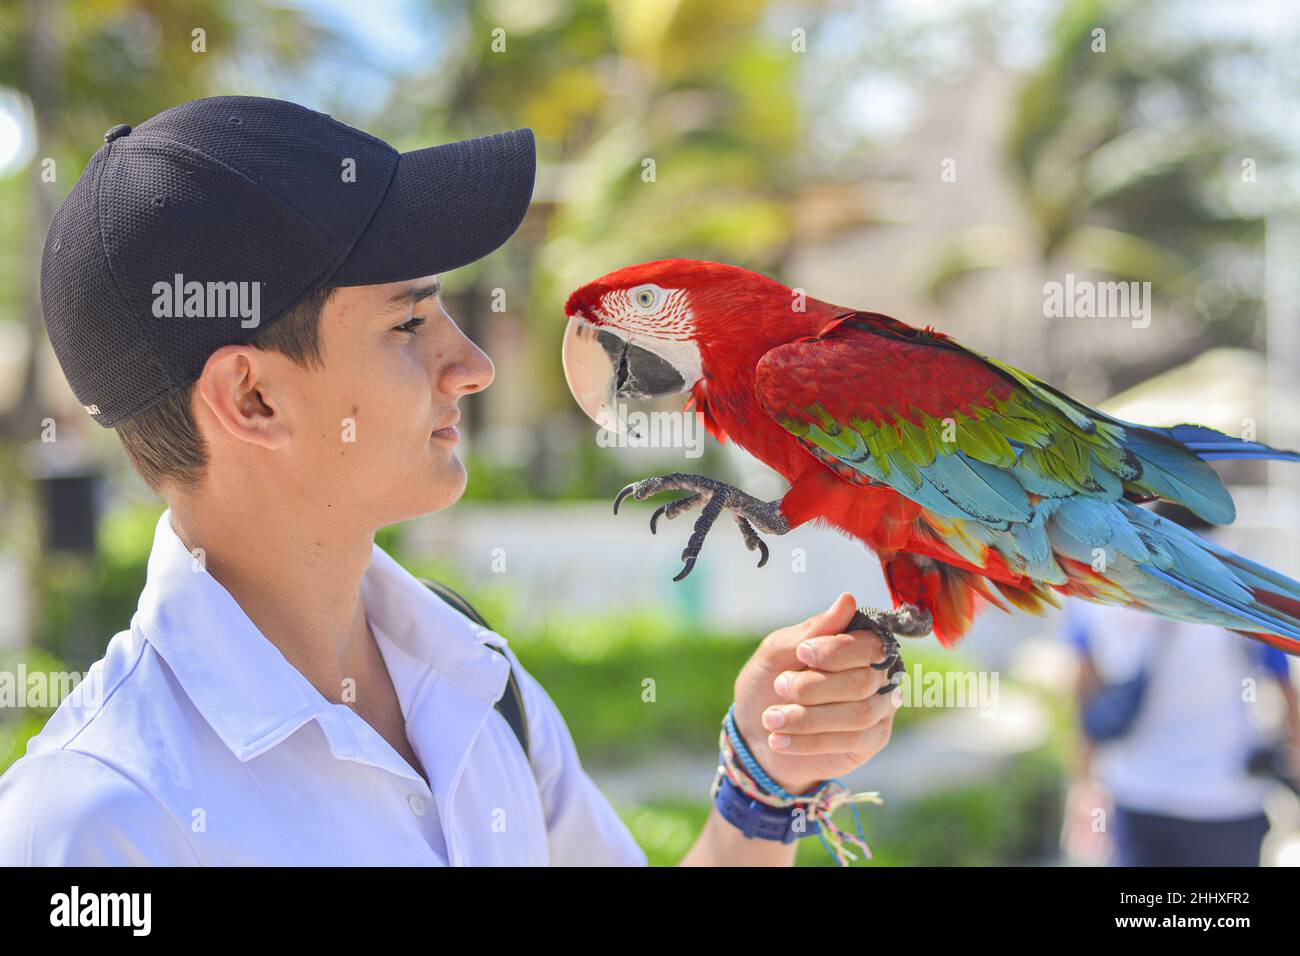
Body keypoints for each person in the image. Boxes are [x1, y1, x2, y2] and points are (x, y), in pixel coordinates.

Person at [0, 96, 900, 866]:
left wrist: (760, 779)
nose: (471, 364)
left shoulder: (475, 675)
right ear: (253, 396)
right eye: (407, 322)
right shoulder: (97, 824)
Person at [1061, 504, 1300, 867]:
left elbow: (1083, 697)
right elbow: (1286, 694)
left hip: (1137, 793)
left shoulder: (1101, 589)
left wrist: (1082, 786)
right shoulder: (1246, 593)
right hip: (1227, 799)